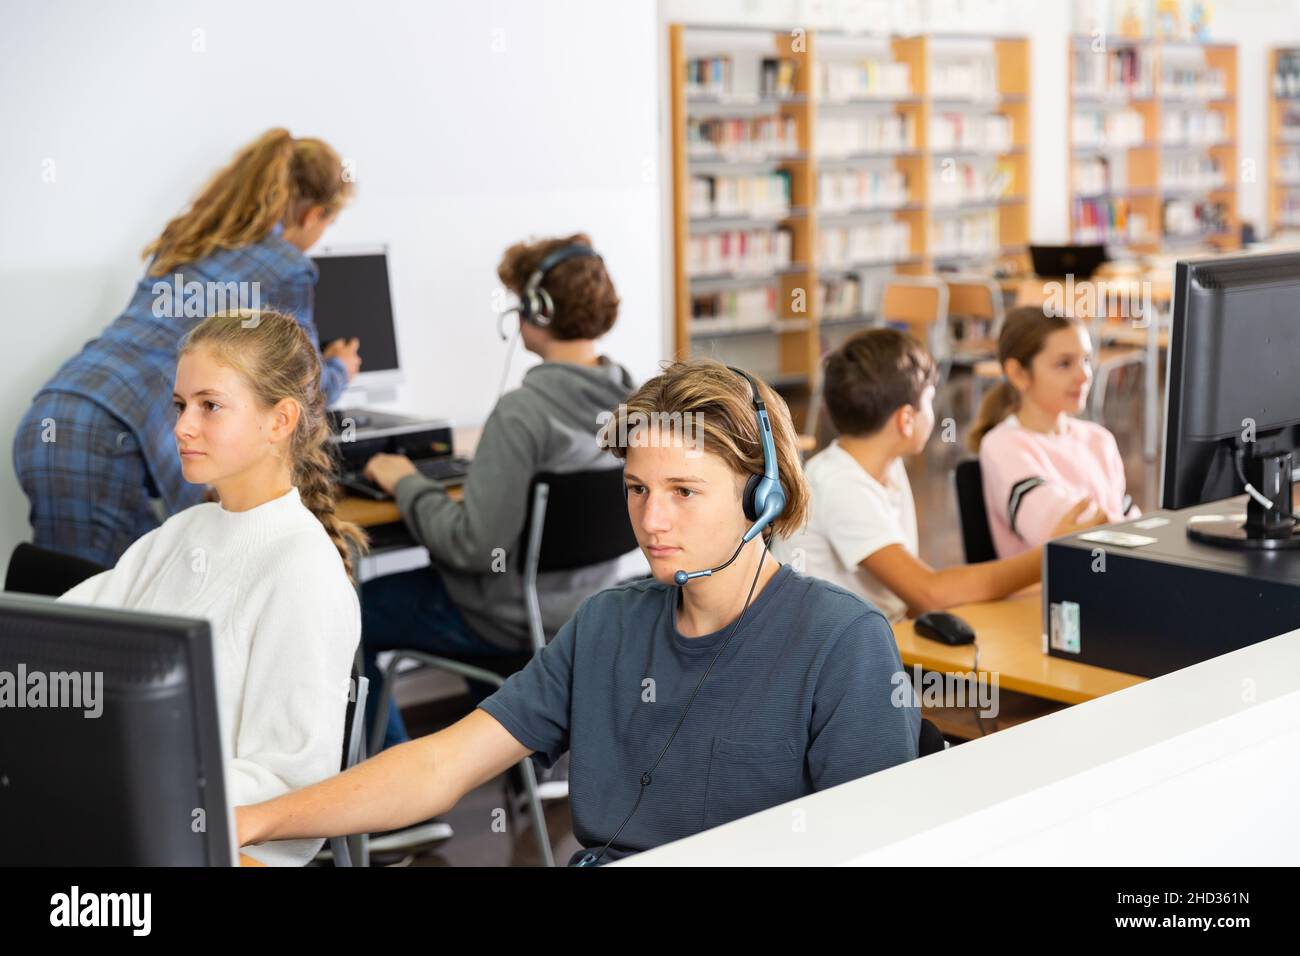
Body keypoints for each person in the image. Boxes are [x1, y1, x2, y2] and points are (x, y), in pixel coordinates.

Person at [235, 358, 919, 866]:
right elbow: (441, 765)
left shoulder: (842, 643)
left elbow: (872, 850)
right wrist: (258, 821)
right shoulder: (608, 625)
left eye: (684, 491)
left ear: (762, 499)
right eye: (637, 488)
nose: (651, 520)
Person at [58, 310, 364, 867]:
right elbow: (61, 634)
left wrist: (133, 790)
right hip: (121, 817)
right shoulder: (186, 531)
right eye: (180, 405)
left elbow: (287, 781)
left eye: (210, 405)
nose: (181, 426)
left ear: (280, 421)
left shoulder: (302, 572)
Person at [14, 128, 361, 566]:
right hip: (109, 432)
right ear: (313, 214)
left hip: (52, 415)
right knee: (114, 620)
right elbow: (301, 387)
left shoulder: (189, 240)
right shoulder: (286, 265)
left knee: (75, 605)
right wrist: (341, 368)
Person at [358, 234, 635, 751]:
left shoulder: (522, 414)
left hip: (505, 620)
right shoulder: (635, 404)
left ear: (536, 311)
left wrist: (405, 481)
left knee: (348, 612)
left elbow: (478, 549)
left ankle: (396, 804)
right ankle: (508, 753)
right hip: (590, 611)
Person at [773, 328, 1102, 620]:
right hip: (831, 666)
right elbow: (929, 593)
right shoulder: (840, 484)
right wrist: (1055, 554)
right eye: (930, 400)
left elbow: (912, 595)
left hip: (872, 637)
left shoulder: (885, 464)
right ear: (906, 420)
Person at [968, 306, 1139, 558]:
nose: (1084, 375)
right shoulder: (1002, 445)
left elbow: (1133, 524)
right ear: (1018, 374)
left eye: (1086, 360)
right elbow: (1063, 531)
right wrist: (1129, 531)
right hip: (1043, 594)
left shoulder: (1099, 439)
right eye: (1064, 364)